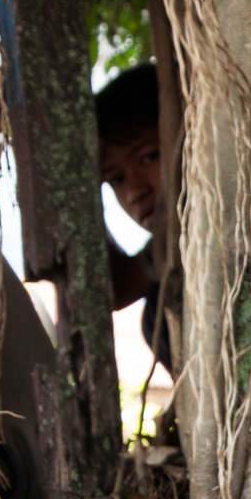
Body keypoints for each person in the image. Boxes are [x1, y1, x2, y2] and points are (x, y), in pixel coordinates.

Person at [94, 63, 163, 316]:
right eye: (116, 179)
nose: (135, 191)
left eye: (148, 157)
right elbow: (114, 289)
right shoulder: (164, 257)